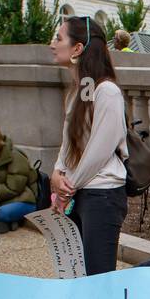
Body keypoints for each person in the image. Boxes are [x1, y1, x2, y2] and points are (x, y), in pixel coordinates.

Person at [49, 15, 129, 275]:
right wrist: (57, 172)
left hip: (102, 195)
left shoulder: (107, 92)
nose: (52, 44)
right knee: (76, 275)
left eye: (59, 38)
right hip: (80, 191)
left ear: (77, 49)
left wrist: (66, 187)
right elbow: (69, 141)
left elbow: (99, 151)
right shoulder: (79, 90)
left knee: (98, 278)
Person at [0, 121, 39, 232]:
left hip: (23, 201)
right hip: (5, 199)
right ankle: (4, 222)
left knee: (0, 212)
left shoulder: (15, 156)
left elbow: (14, 188)